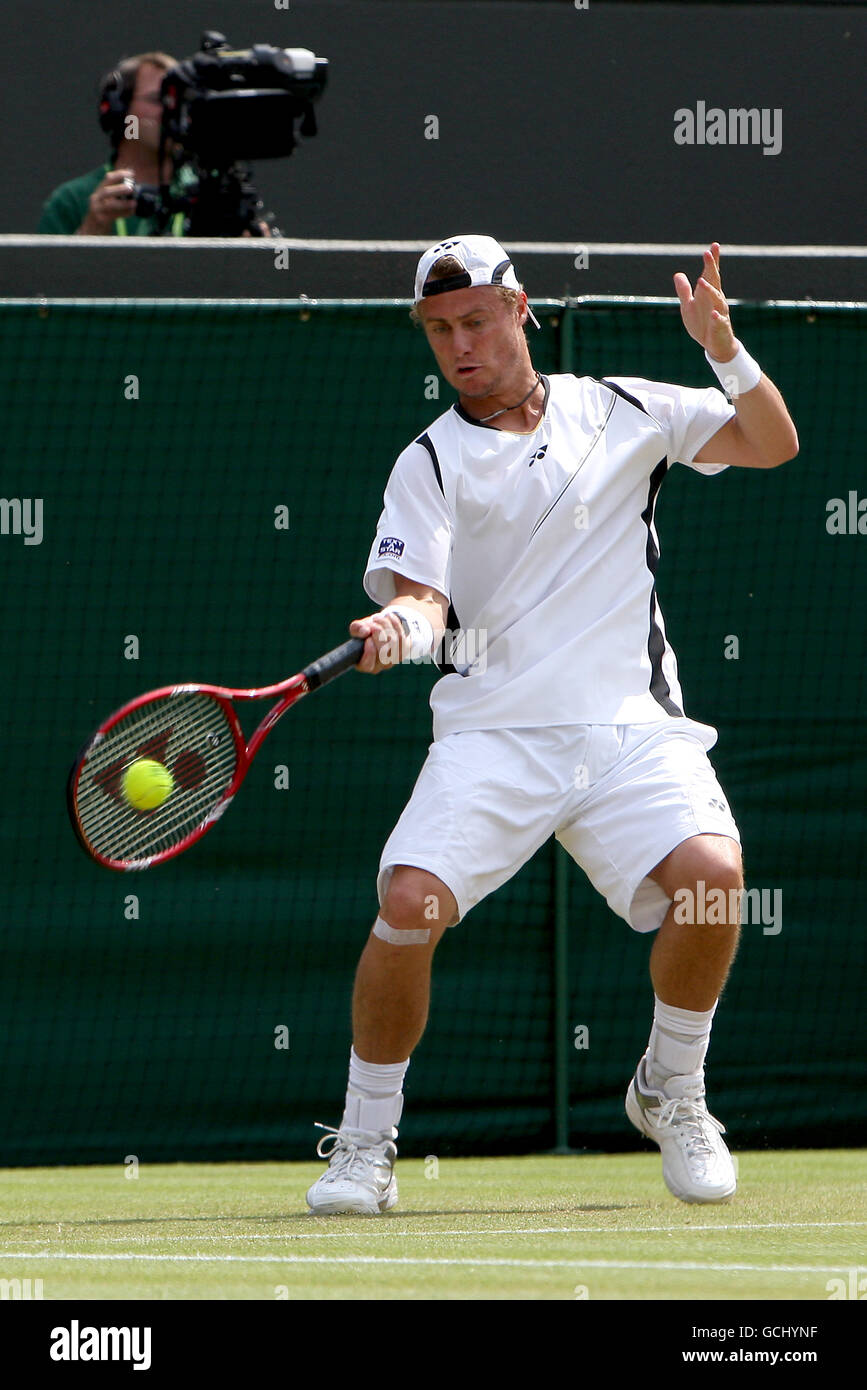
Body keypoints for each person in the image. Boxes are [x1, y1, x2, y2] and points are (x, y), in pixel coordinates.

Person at [306, 235, 799, 1215]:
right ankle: (364, 1145)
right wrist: (399, 624)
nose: (460, 345)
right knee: (408, 906)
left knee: (713, 885)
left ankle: (674, 1088)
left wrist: (724, 347)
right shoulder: (430, 462)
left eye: (476, 321)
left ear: (518, 308)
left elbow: (772, 441)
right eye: (440, 331)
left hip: (630, 730)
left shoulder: (623, 409)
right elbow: (426, 603)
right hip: (493, 737)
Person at [38, 52, 196, 237]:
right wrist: (90, 232)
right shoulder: (71, 202)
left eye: (179, 101)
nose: (172, 110)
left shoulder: (211, 196)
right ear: (121, 109)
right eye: (158, 99)